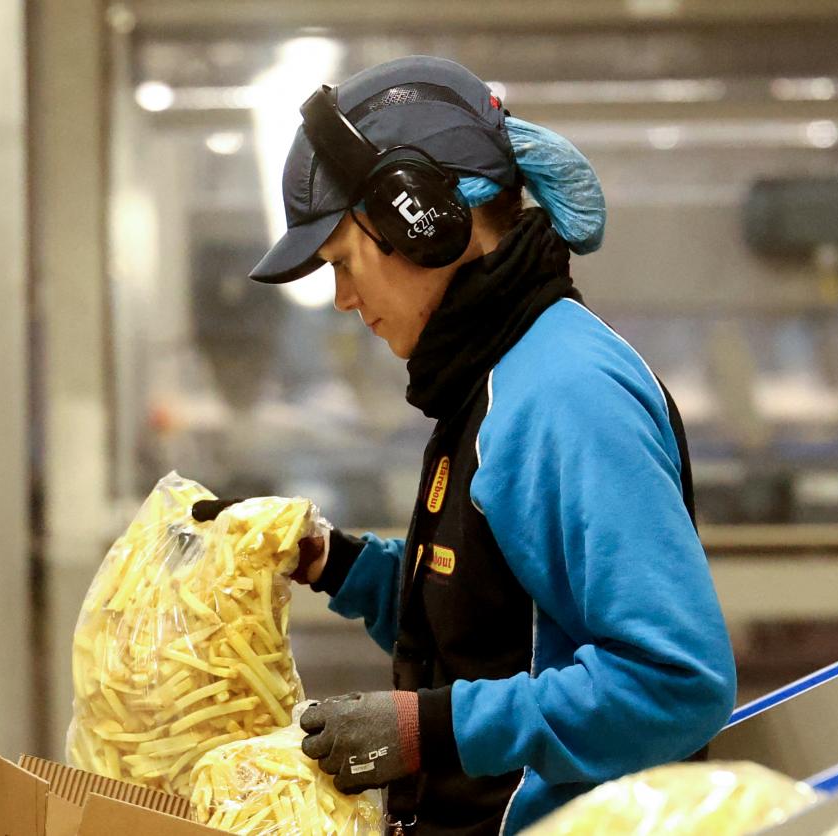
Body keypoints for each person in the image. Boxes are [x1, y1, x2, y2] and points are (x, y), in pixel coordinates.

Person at [244, 55, 736, 835]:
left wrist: (426, 730)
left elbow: (676, 685)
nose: (343, 300)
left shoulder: (564, 393)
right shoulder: (495, 377)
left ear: (421, 221)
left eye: (342, 261)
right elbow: (490, 632)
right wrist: (333, 562)